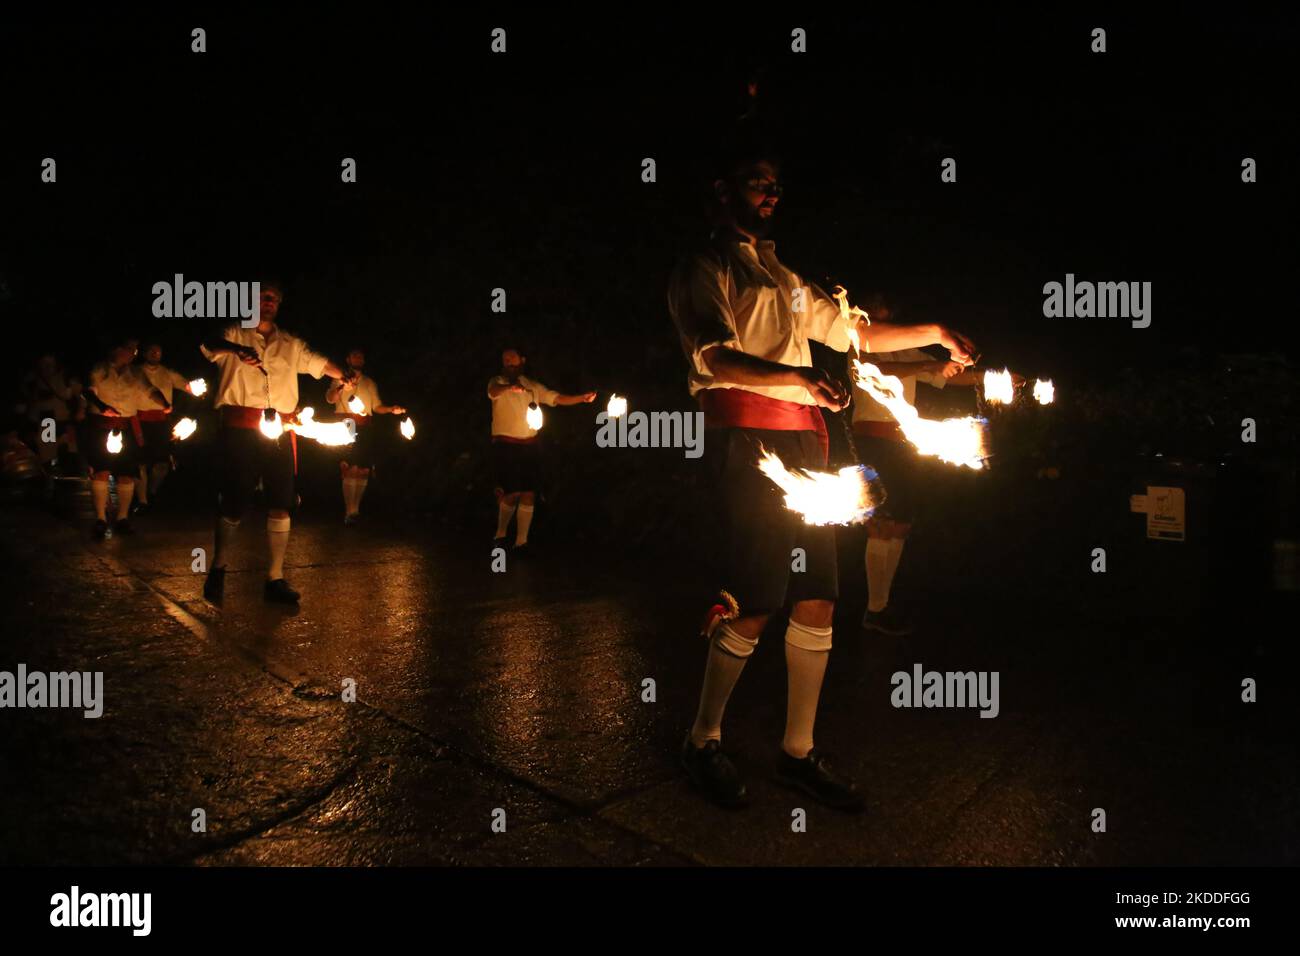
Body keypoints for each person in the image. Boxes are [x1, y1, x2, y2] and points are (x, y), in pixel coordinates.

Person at [667, 127, 978, 810]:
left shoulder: (785, 274)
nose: (771, 190)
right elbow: (713, 358)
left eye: (776, 181)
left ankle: (797, 753)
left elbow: (856, 333)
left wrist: (933, 331)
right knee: (756, 599)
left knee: (817, 596)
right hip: (750, 446)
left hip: (811, 446)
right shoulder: (705, 267)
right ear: (722, 191)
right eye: (756, 179)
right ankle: (703, 739)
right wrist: (799, 384)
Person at [198, 281, 356, 605]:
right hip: (240, 428)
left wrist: (344, 375)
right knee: (235, 499)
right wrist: (236, 351)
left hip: (281, 432)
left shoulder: (291, 344)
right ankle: (218, 567)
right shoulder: (233, 333)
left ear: (278, 304)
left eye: (272, 298)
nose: (266, 302)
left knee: (282, 502)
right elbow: (207, 344)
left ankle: (275, 578)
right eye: (260, 297)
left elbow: (319, 363)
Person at [486, 348, 595, 553]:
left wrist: (582, 398)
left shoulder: (532, 386)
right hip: (505, 444)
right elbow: (493, 392)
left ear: (522, 360)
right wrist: (510, 387)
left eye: (512, 357)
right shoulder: (497, 381)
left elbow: (557, 398)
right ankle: (500, 535)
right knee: (511, 492)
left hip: (529, 445)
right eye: (505, 359)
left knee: (529, 492)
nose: (508, 361)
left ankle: (521, 542)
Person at [84, 341, 170, 538]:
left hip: (127, 426)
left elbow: (149, 390)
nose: (133, 353)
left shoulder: (136, 374)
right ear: (117, 349)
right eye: (130, 348)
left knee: (127, 473)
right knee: (101, 471)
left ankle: (122, 518)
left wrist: (163, 403)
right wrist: (101, 405)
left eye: (135, 350)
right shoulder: (100, 369)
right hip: (102, 426)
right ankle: (100, 519)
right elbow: (88, 391)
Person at [325, 347, 406, 524]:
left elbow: (376, 406)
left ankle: (356, 510)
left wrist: (392, 409)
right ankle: (348, 511)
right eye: (355, 355)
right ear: (348, 359)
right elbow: (330, 399)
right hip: (346, 424)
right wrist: (341, 385)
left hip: (365, 427)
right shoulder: (338, 378)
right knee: (349, 467)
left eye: (361, 356)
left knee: (362, 470)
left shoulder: (370, 382)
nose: (358, 358)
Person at [134, 342, 201, 510]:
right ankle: (142, 501)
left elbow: (185, 384)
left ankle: (151, 493)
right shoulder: (135, 371)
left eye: (158, 351)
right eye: (151, 350)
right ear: (144, 353)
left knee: (162, 463)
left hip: (161, 423)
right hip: (139, 421)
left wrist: (195, 389)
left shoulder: (167, 373)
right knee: (140, 462)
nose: (155, 353)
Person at [22, 353, 82, 471]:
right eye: (44, 364)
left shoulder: (65, 378)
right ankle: (50, 478)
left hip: (64, 420)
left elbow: (79, 395)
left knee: (68, 452)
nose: (47, 367)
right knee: (48, 454)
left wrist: (80, 410)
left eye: (50, 364)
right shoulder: (35, 379)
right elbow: (32, 402)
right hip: (48, 420)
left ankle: (65, 476)